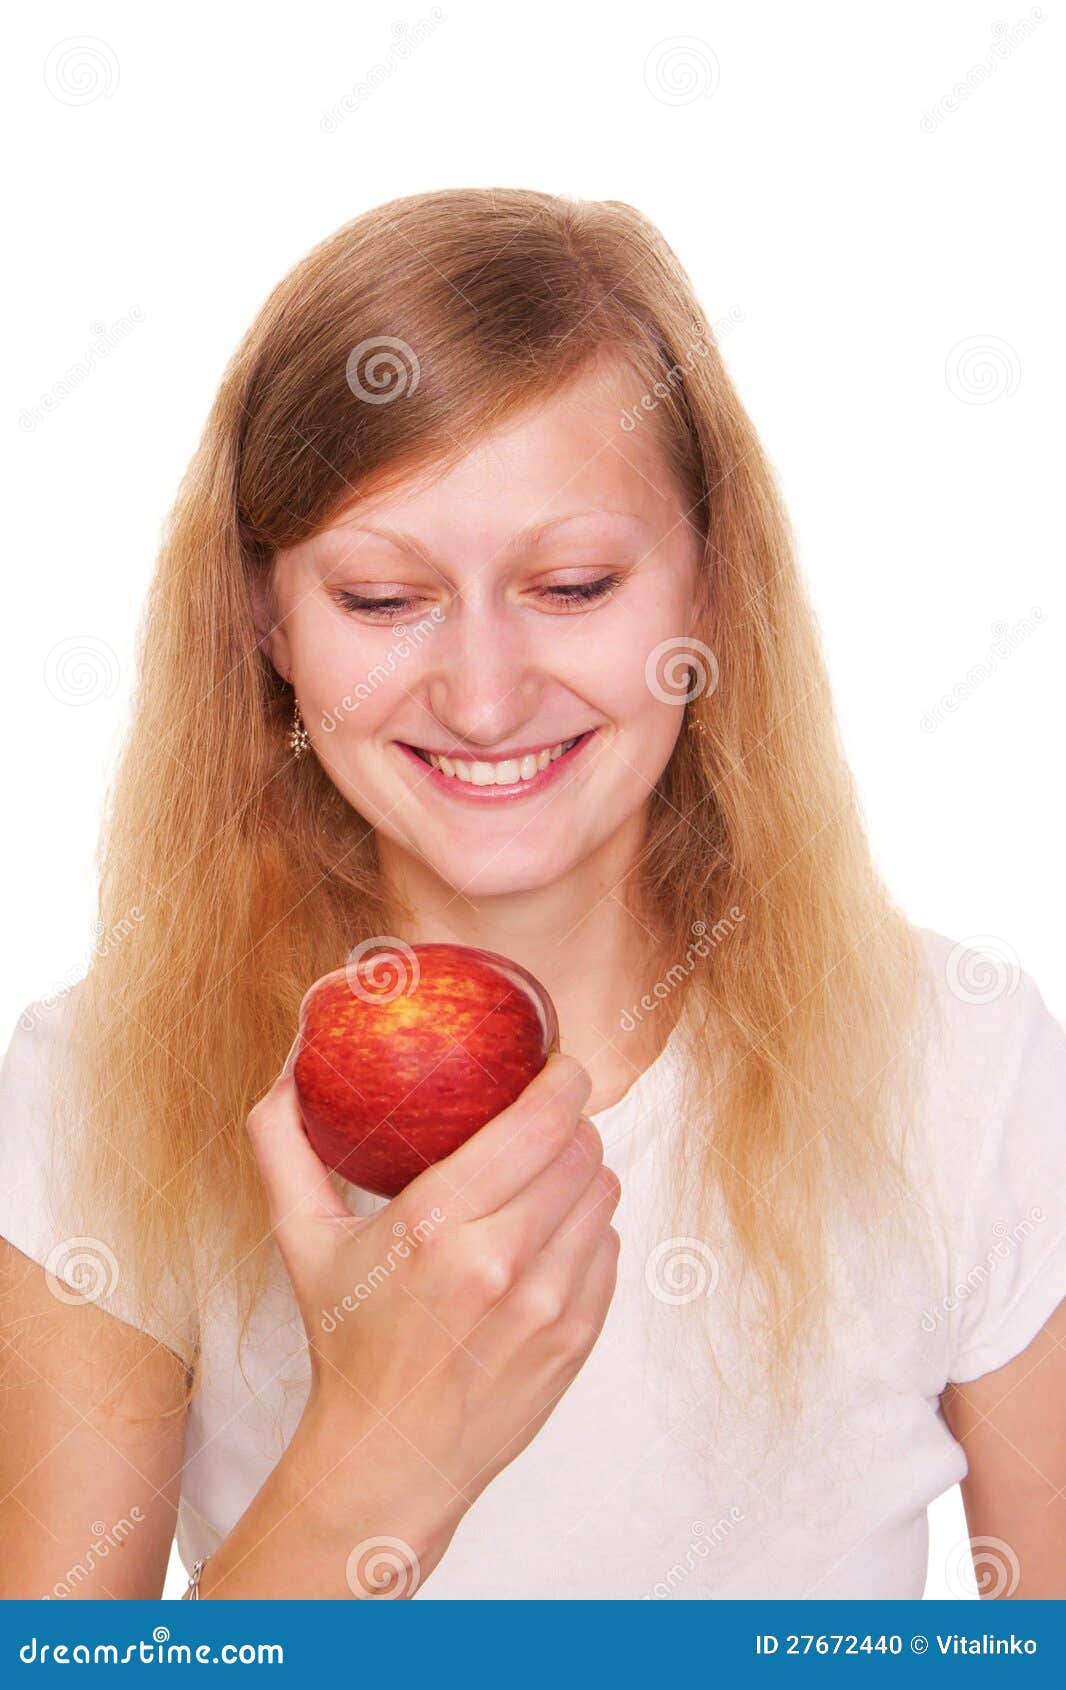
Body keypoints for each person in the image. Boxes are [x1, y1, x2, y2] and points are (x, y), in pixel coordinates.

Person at [1, 188, 1063, 1601]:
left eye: (570, 584)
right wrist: (378, 1454)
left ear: (709, 584)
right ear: (264, 619)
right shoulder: (101, 1083)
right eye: (382, 599)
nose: (486, 696)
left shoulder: (962, 1061)